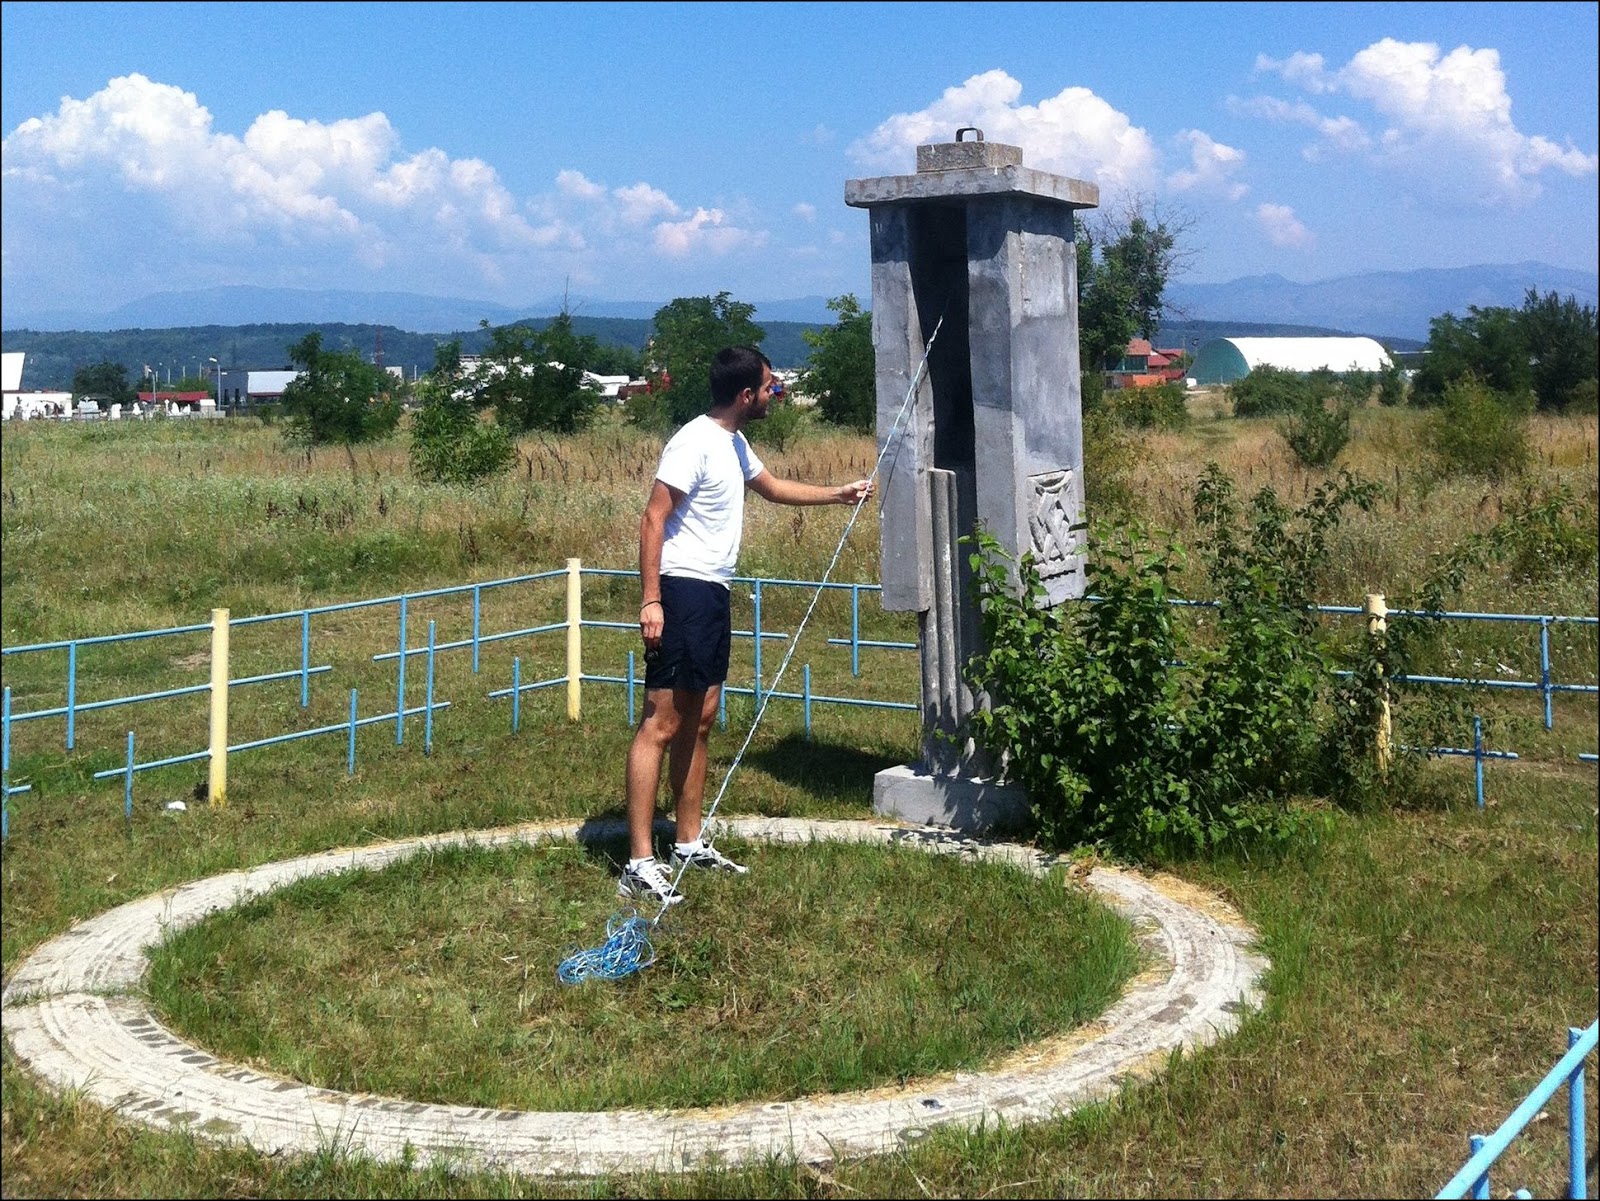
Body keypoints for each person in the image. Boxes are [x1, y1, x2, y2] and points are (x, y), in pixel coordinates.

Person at [618, 346, 873, 907]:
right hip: (681, 590)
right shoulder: (693, 442)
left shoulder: (734, 442)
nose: (774, 394)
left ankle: (687, 842)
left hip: (712, 591)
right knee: (661, 722)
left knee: (702, 718)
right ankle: (639, 861)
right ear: (744, 395)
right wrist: (651, 600)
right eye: (769, 387)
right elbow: (653, 517)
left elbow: (774, 487)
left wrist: (840, 493)